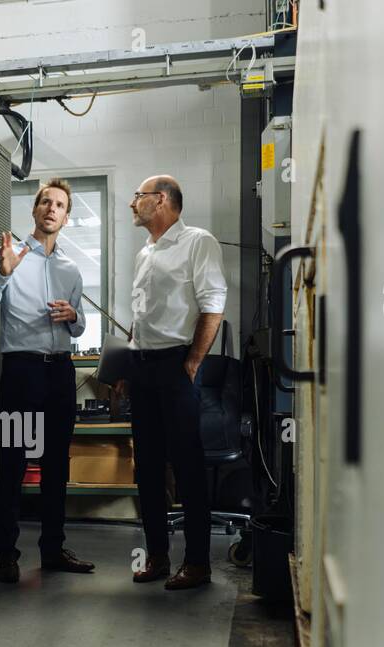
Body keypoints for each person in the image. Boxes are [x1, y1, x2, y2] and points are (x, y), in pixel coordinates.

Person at [0, 178, 95, 584]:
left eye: (60, 205)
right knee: (12, 463)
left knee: (55, 464)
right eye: (46, 201)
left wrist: (74, 317)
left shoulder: (70, 268)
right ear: (35, 209)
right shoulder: (10, 255)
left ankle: (52, 550)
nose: (51, 209)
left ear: (66, 216)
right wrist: (3, 274)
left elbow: (78, 329)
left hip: (60, 370)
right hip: (21, 370)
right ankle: (6, 556)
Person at [118, 174, 226, 590]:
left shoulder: (198, 242)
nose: (133, 203)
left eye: (138, 196)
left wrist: (193, 362)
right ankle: (158, 557)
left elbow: (213, 303)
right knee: (147, 467)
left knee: (187, 466)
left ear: (160, 200)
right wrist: (127, 363)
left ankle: (197, 563)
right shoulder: (145, 251)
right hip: (143, 367)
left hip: (176, 366)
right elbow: (141, 314)